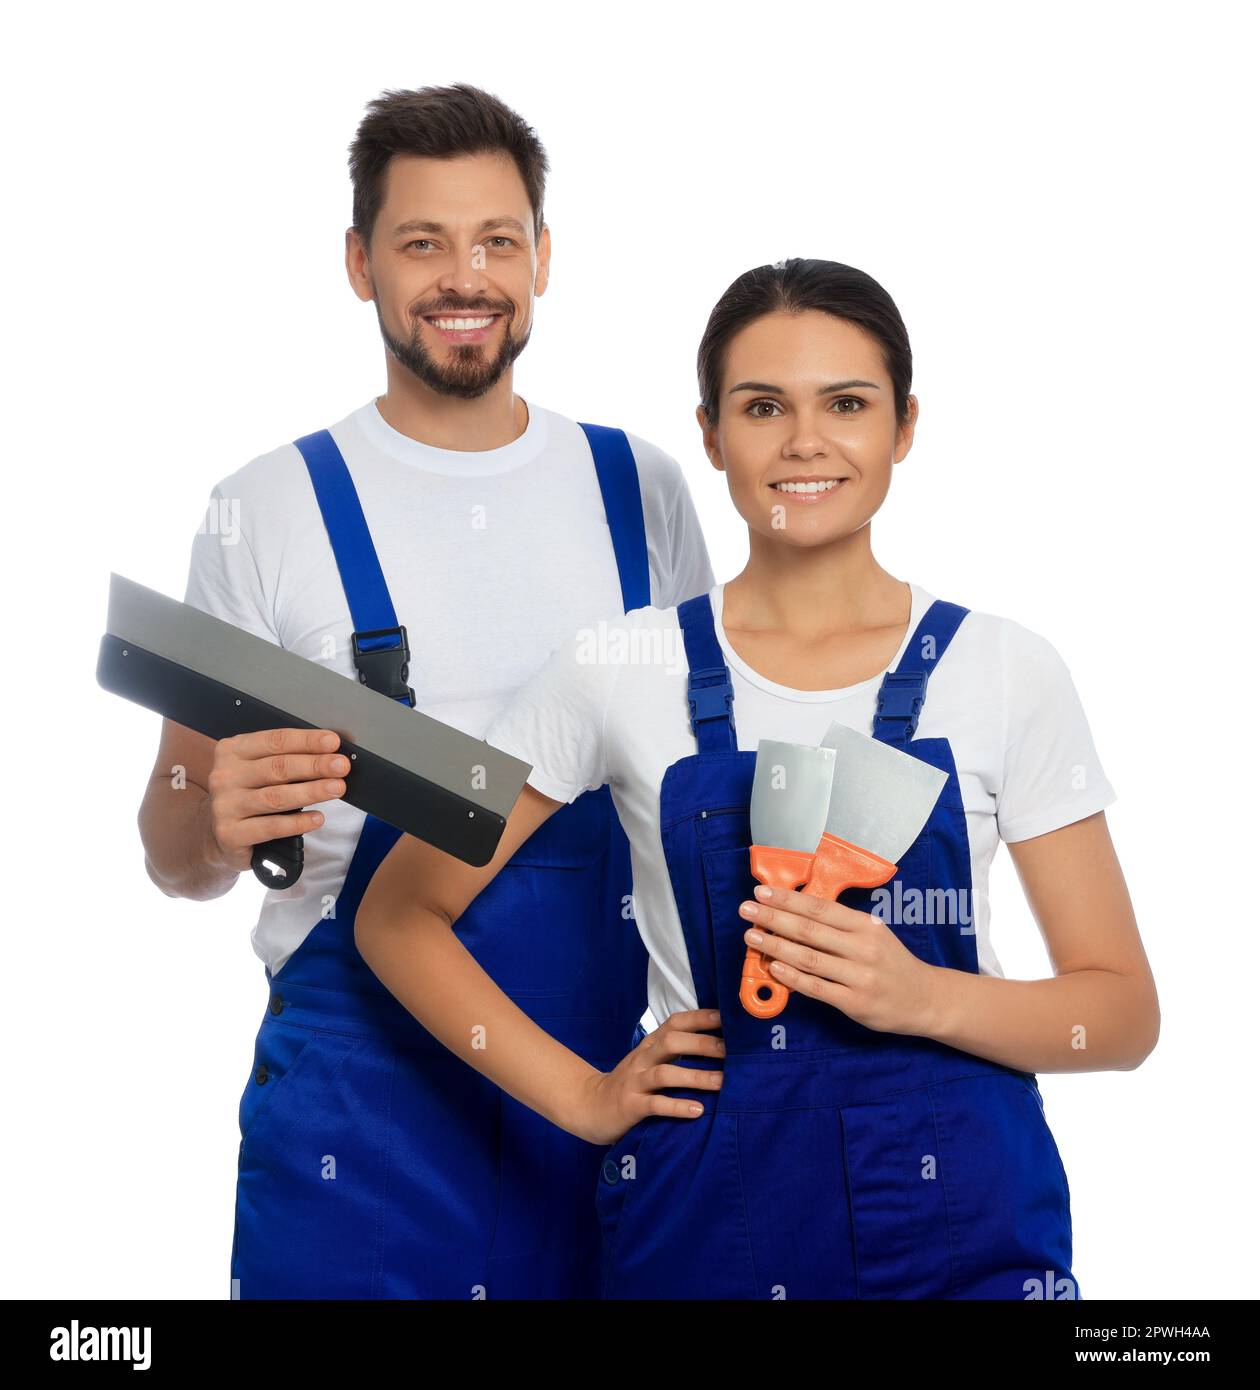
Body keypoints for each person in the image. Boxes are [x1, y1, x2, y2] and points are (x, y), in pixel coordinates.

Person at [355, 257, 1160, 1300]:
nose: (805, 442)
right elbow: (398, 914)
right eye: (763, 406)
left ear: (905, 426)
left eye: (848, 403)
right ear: (710, 433)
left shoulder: (1004, 669)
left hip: (965, 1231)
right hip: (706, 1224)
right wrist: (586, 1096)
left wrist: (920, 995)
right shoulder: (617, 669)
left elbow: (1122, 1011)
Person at [135, 83, 714, 1300]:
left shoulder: (643, 491)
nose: (468, 275)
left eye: (499, 239)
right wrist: (215, 820)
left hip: (608, 1085)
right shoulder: (268, 509)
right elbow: (173, 844)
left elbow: (702, 783)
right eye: (423, 242)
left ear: (544, 258)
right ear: (360, 263)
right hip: (362, 1118)